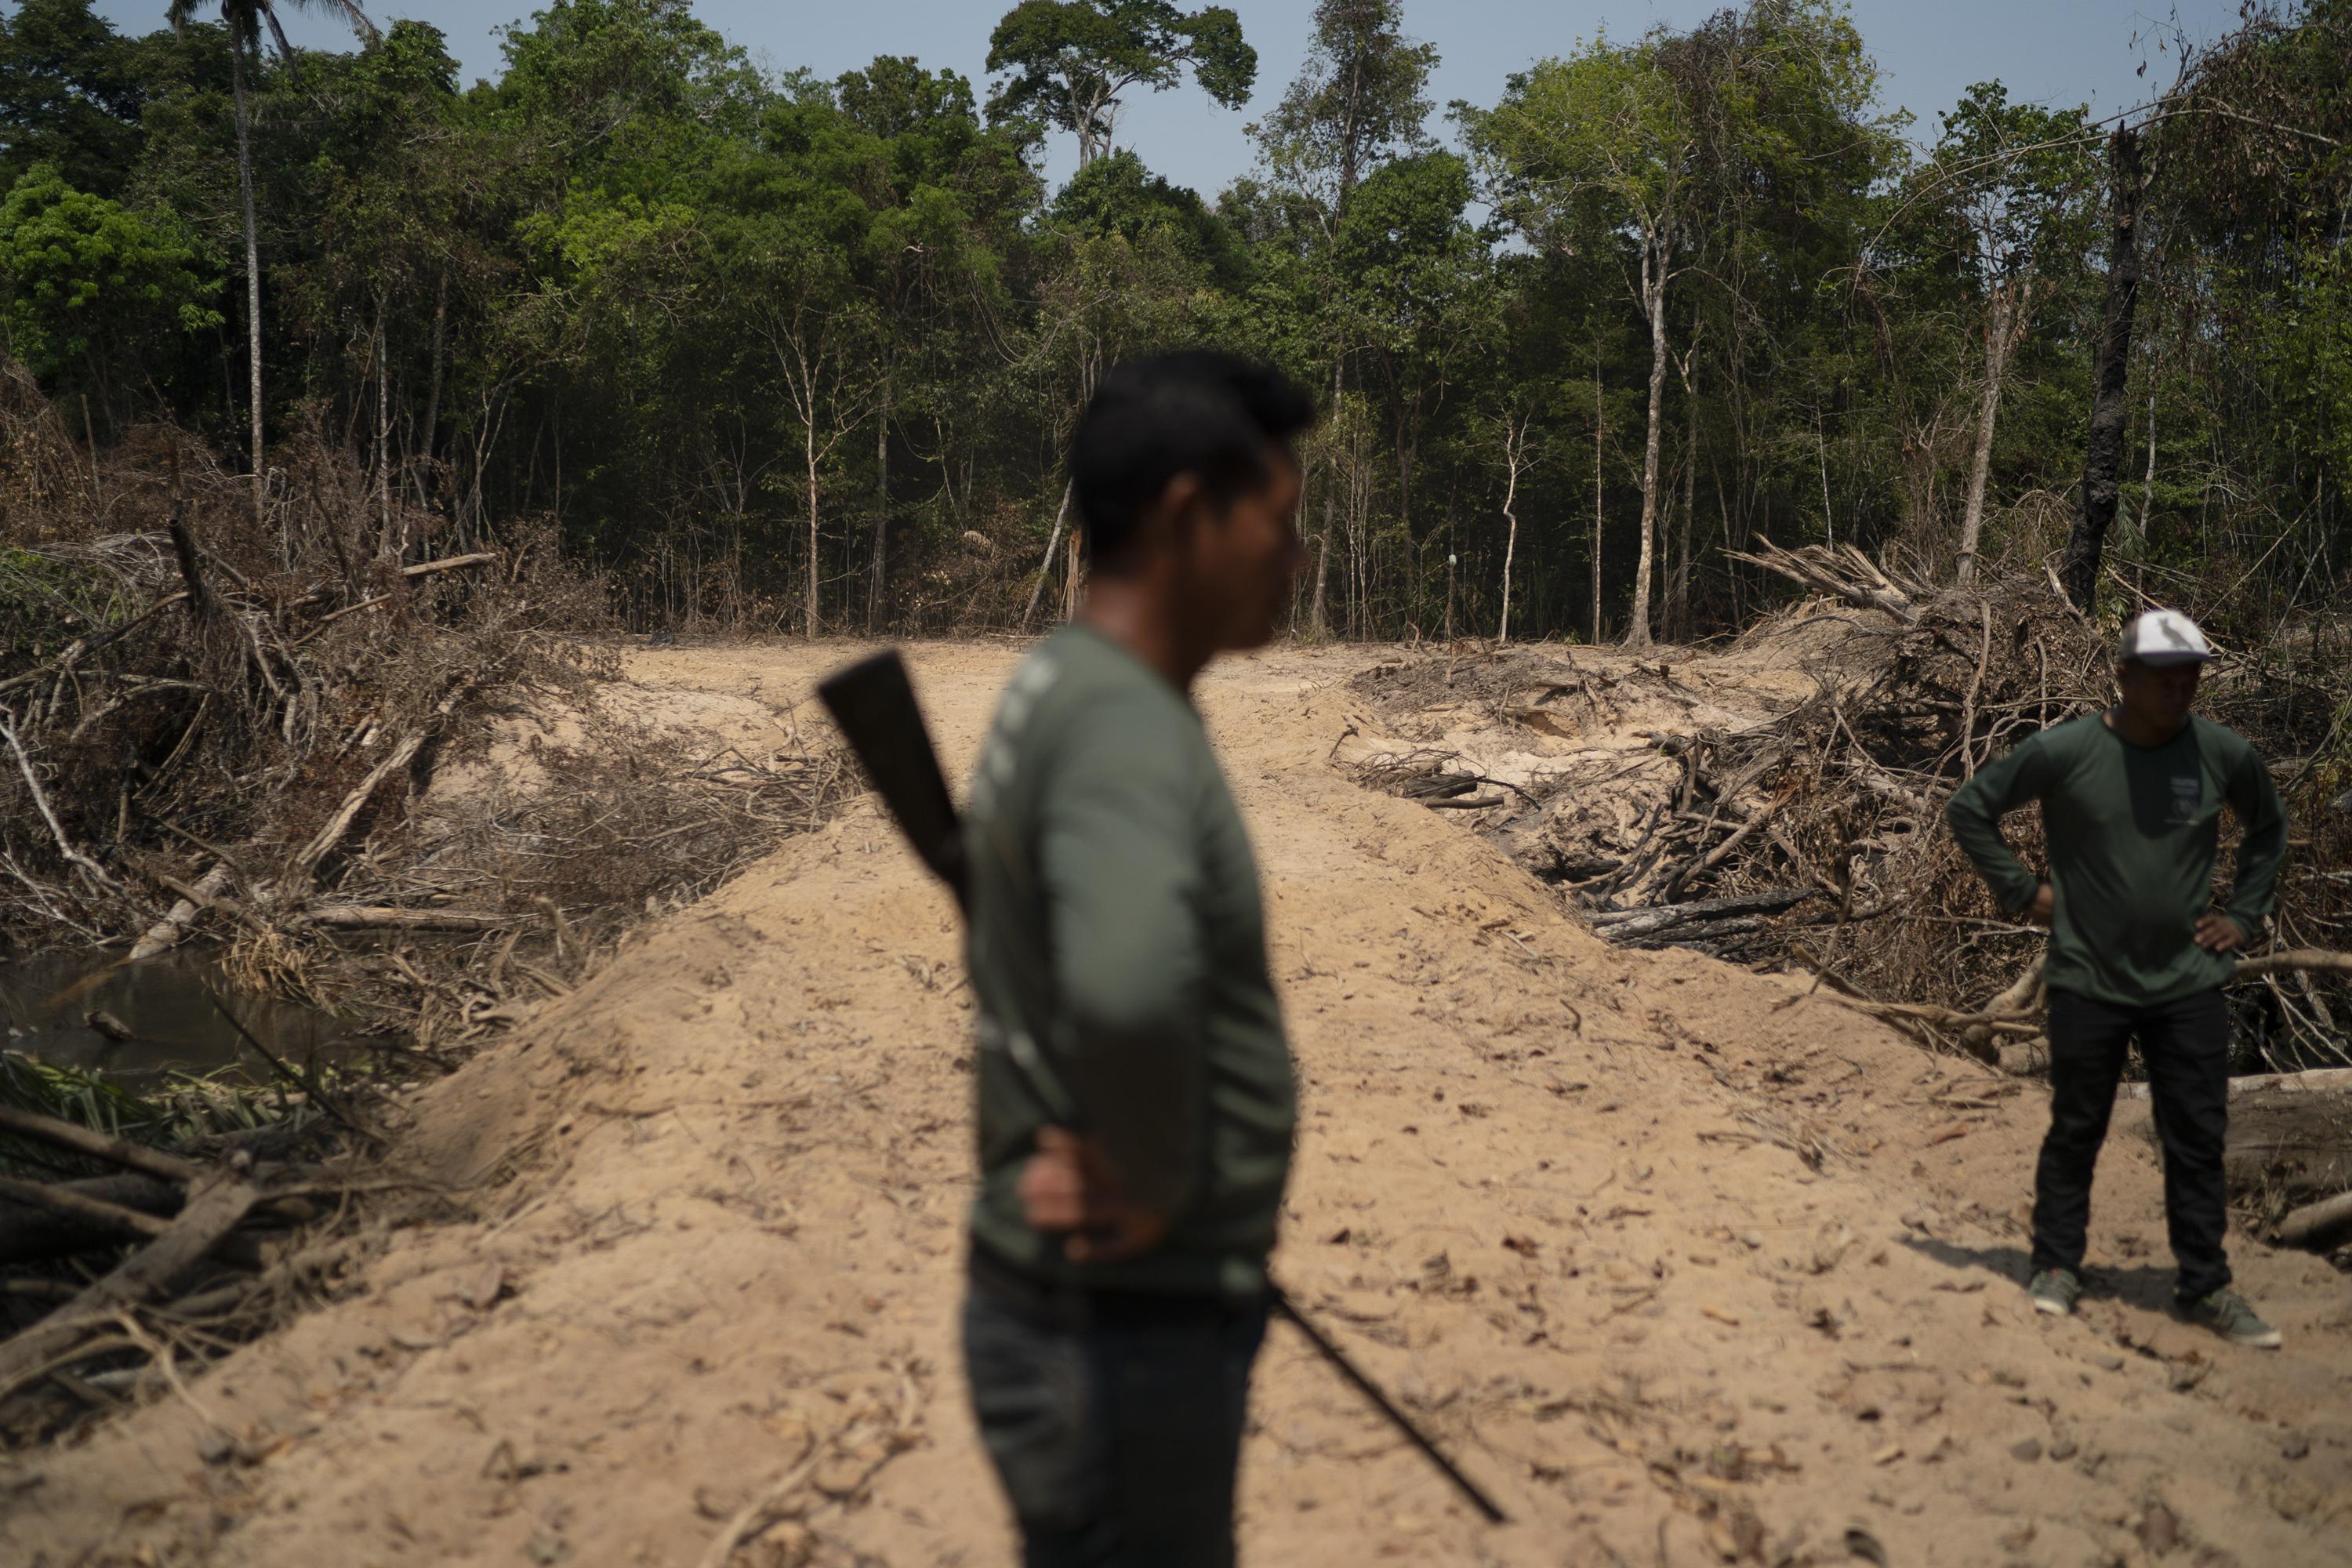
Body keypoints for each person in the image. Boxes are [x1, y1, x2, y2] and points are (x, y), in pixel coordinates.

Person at [957, 350, 1312, 1566]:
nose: (1295, 561)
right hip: (1118, 1333)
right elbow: (1124, 983)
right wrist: (1161, 1181)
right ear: (1184, 513)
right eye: (1279, 522)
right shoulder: (1123, 727)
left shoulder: (1066, 679)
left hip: (1082, 1321)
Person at [1946, 608, 2288, 1347]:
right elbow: (1972, 808)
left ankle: (2206, 1286)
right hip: (2087, 978)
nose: (2179, 690)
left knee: (2197, 1135)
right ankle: (2057, 1266)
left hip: (2187, 981)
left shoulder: (2221, 754)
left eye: (2191, 675)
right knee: (2077, 1128)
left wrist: (2247, 915)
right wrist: (2022, 890)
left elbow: (2268, 830)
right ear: (2125, 675)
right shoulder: (2067, 751)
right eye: (2164, 676)